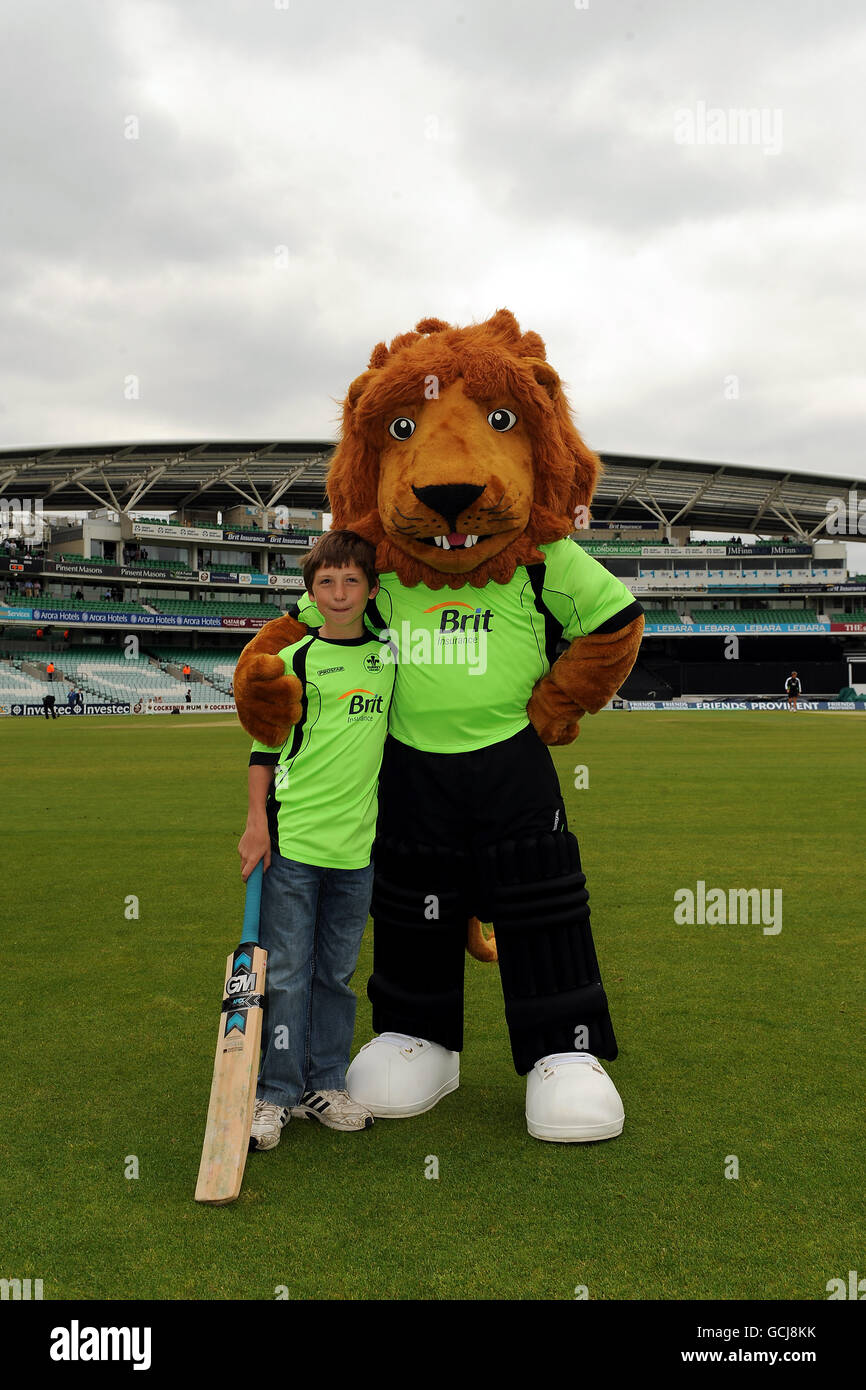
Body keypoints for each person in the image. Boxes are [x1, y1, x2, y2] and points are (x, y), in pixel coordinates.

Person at [237, 529, 395, 1150]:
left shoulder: (390, 657)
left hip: (358, 849)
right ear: (310, 592)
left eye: (351, 581)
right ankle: (274, 1093)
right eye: (325, 582)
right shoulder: (295, 659)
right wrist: (257, 824)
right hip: (295, 840)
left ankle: (325, 1082)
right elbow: (264, 744)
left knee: (336, 974)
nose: (338, 592)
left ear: (371, 589)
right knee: (288, 974)